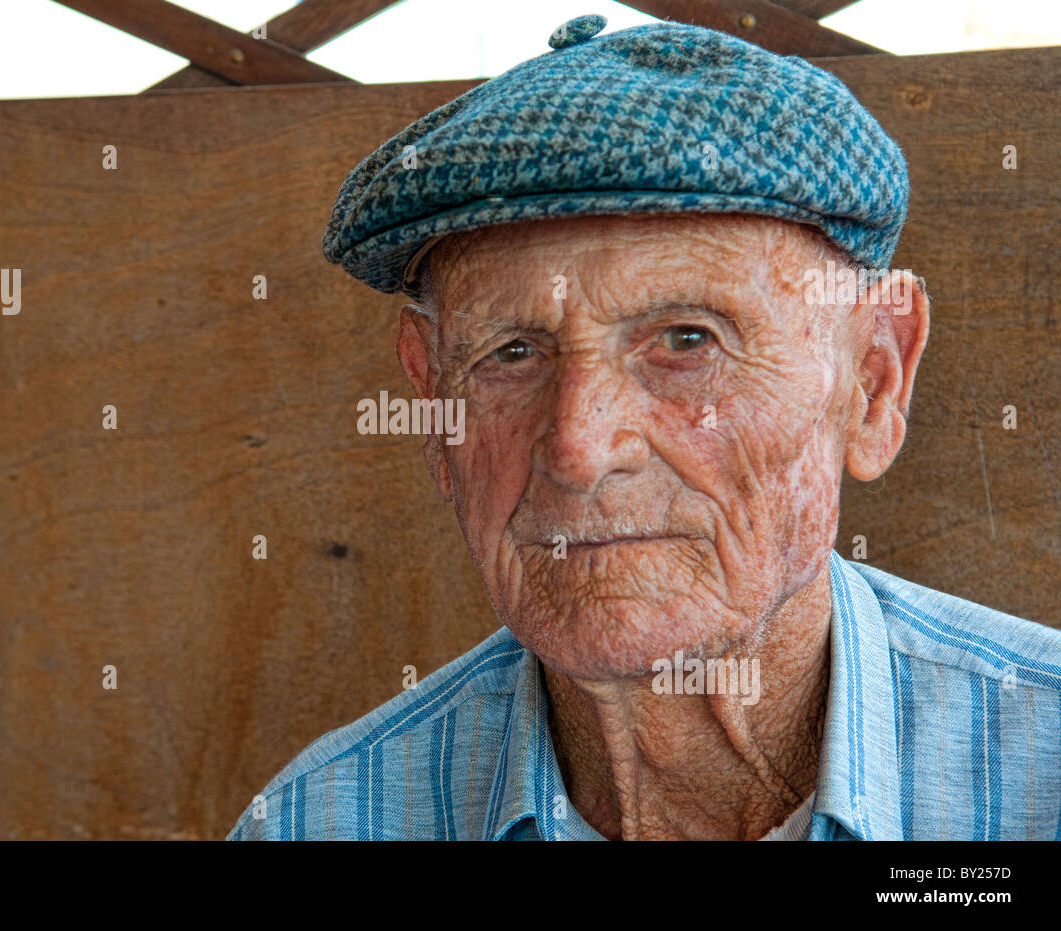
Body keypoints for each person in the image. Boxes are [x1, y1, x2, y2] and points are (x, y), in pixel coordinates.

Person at [227, 16, 1061, 840]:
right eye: (512, 352)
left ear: (874, 383)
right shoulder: (319, 823)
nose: (580, 448)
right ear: (434, 398)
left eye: (687, 341)